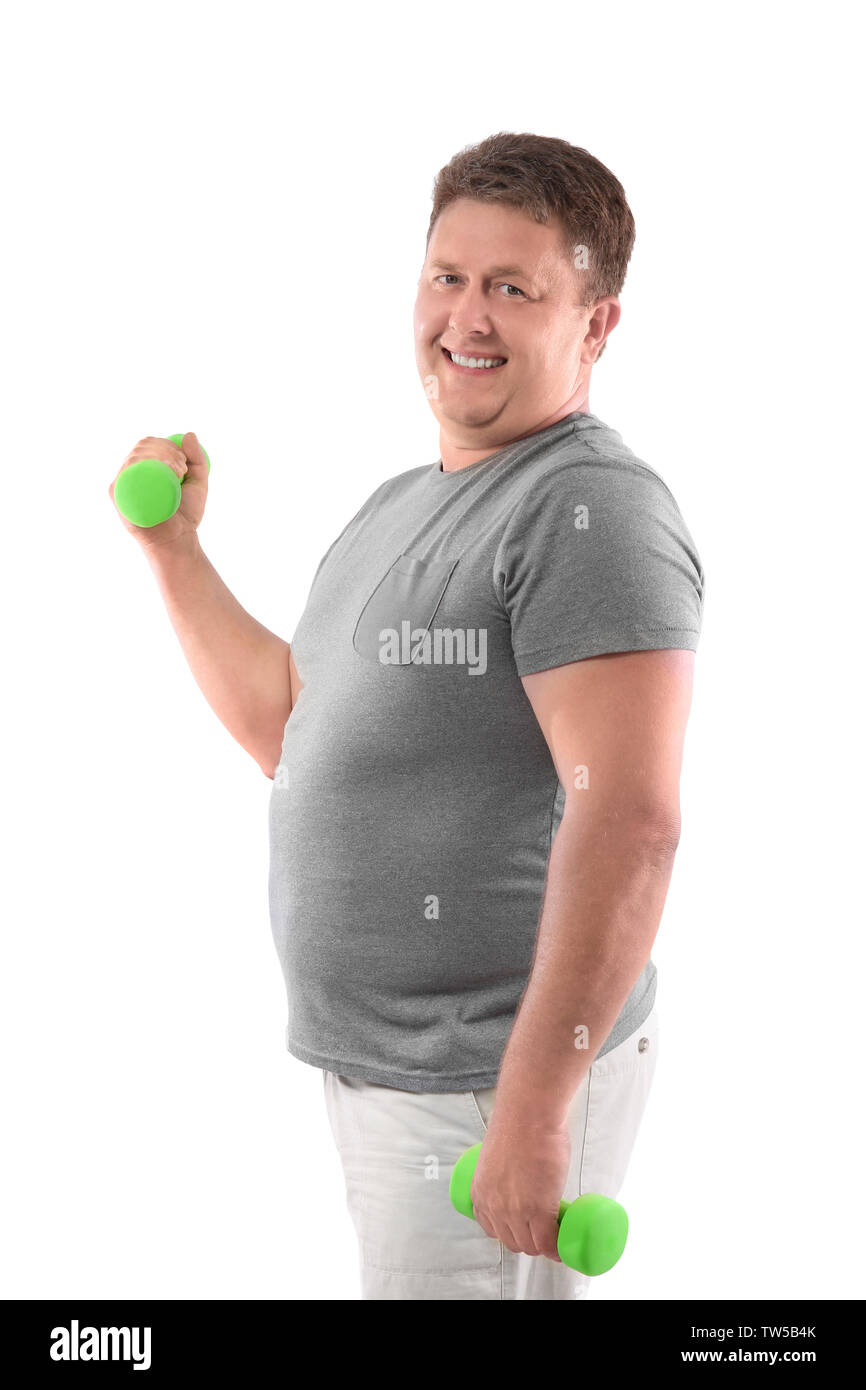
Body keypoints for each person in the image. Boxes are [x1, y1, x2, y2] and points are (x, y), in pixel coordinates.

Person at [110, 131, 704, 1301]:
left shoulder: (588, 510)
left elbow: (629, 821)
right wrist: (175, 553)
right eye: (447, 276)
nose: (465, 318)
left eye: (513, 288)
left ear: (594, 326)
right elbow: (294, 724)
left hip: (487, 1084)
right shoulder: (405, 501)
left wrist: (534, 1113)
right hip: (396, 1071)